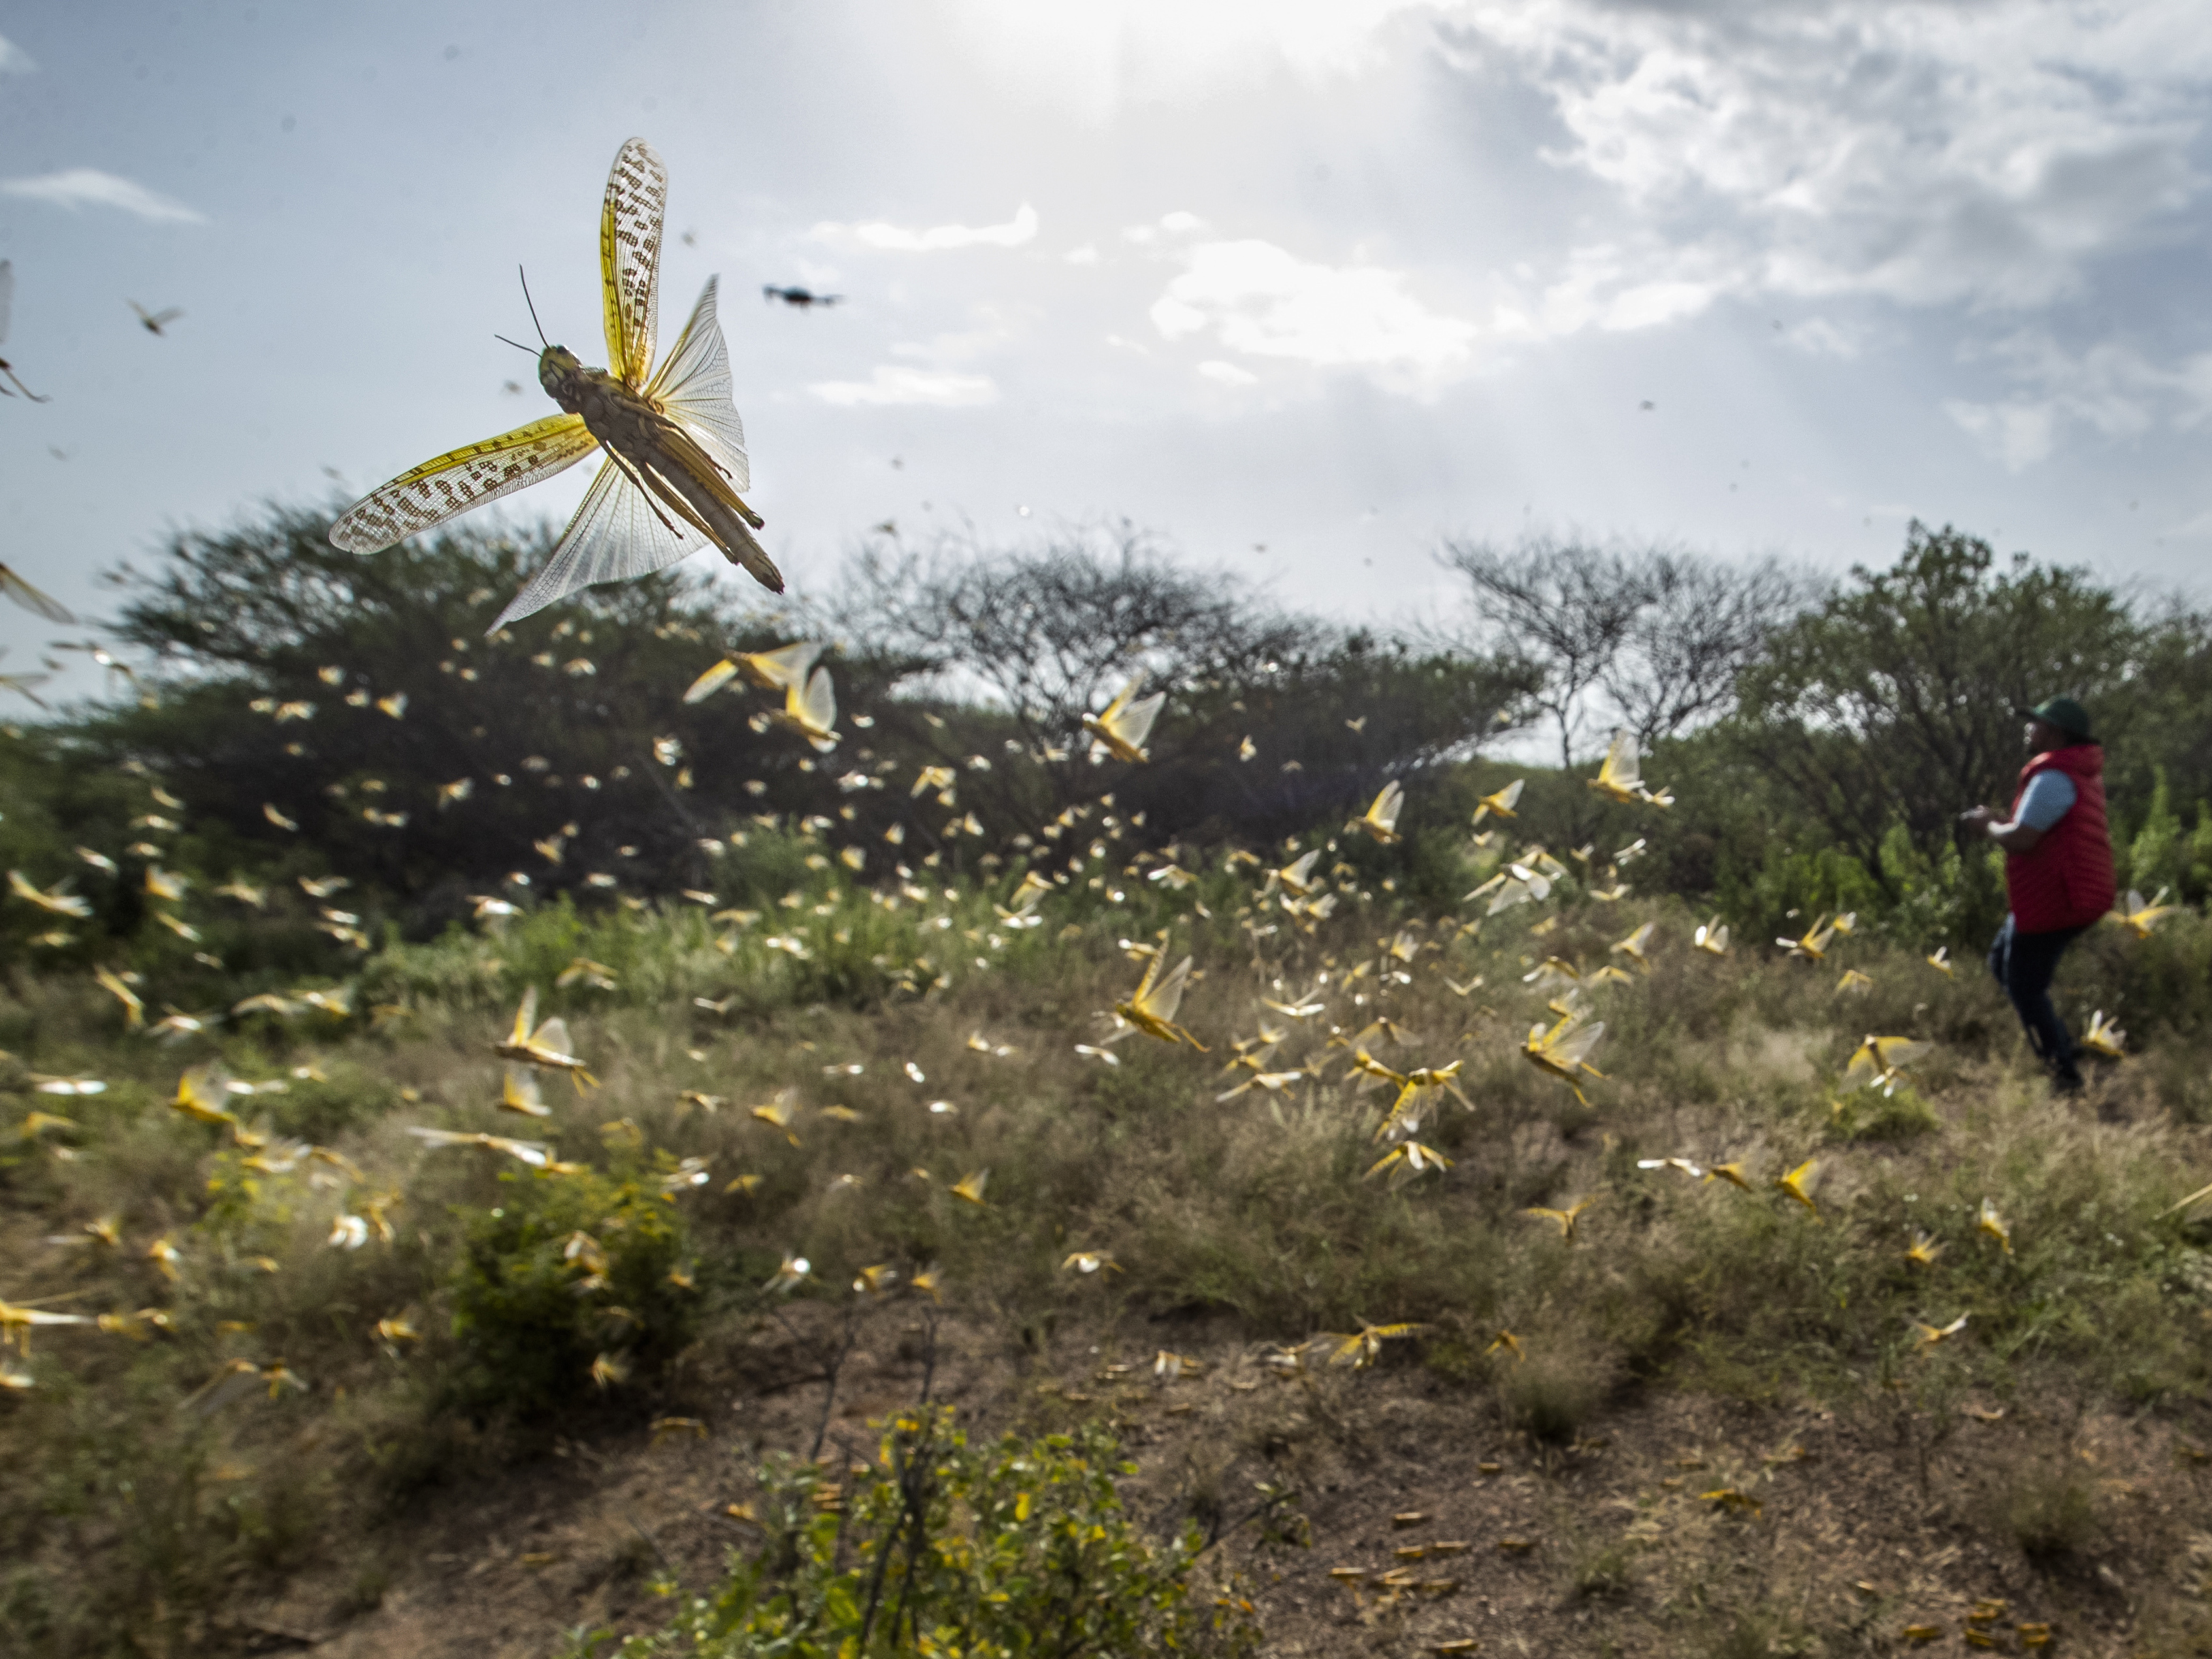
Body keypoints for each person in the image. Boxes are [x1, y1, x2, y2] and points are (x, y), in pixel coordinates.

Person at [1959, 697, 2117, 1094]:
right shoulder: (2071, 773)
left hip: (2059, 900)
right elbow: (2036, 830)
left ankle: (2063, 1074)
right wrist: (2000, 822)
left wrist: (1987, 828)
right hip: (2059, 894)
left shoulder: (2054, 778)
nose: (2029, 730)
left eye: (2037, 724)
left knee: (2025, 986)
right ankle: (2061, 1048)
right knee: (2003, 964)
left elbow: (2023, 840)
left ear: (2057, 733)